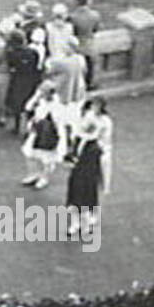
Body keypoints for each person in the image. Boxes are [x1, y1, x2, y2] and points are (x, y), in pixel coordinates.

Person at [65, 97, 112, 236]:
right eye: (92, 106)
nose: (94, 109)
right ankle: (75, 222)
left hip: (92, 157)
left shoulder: (105, 122)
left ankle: (87, 221)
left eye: (97, 106)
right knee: (75, 188)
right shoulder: (84, 119)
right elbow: (77, 135)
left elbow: (105, 140)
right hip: (80, 157)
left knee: (88, 188)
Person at [20, 80, 68, 190]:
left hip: (49, 132)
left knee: (47, 158)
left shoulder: (56, 104)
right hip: (37, 130)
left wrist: (59, 138)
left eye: (44, 92)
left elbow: (58, 121)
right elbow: (28, 107)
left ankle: (44, 177)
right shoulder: (40, 101)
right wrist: (35, 97)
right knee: (29, 153)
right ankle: (34, 174)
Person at [4, 30, 41, 134]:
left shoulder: (12, 53)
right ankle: (30, 128)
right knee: (30, 104)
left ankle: (17, 126)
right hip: (31, 79)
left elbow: (12, 66)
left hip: (18, 79)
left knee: (17, 104)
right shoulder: (33, 52)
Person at [69, 0, 101, 90]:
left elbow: (71, 32)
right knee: (90, 66)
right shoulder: (95, 15)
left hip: (78, 44)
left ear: (77, 2)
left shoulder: (73, 17)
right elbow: (96, 29)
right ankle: (90, 84)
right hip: (90, 44)